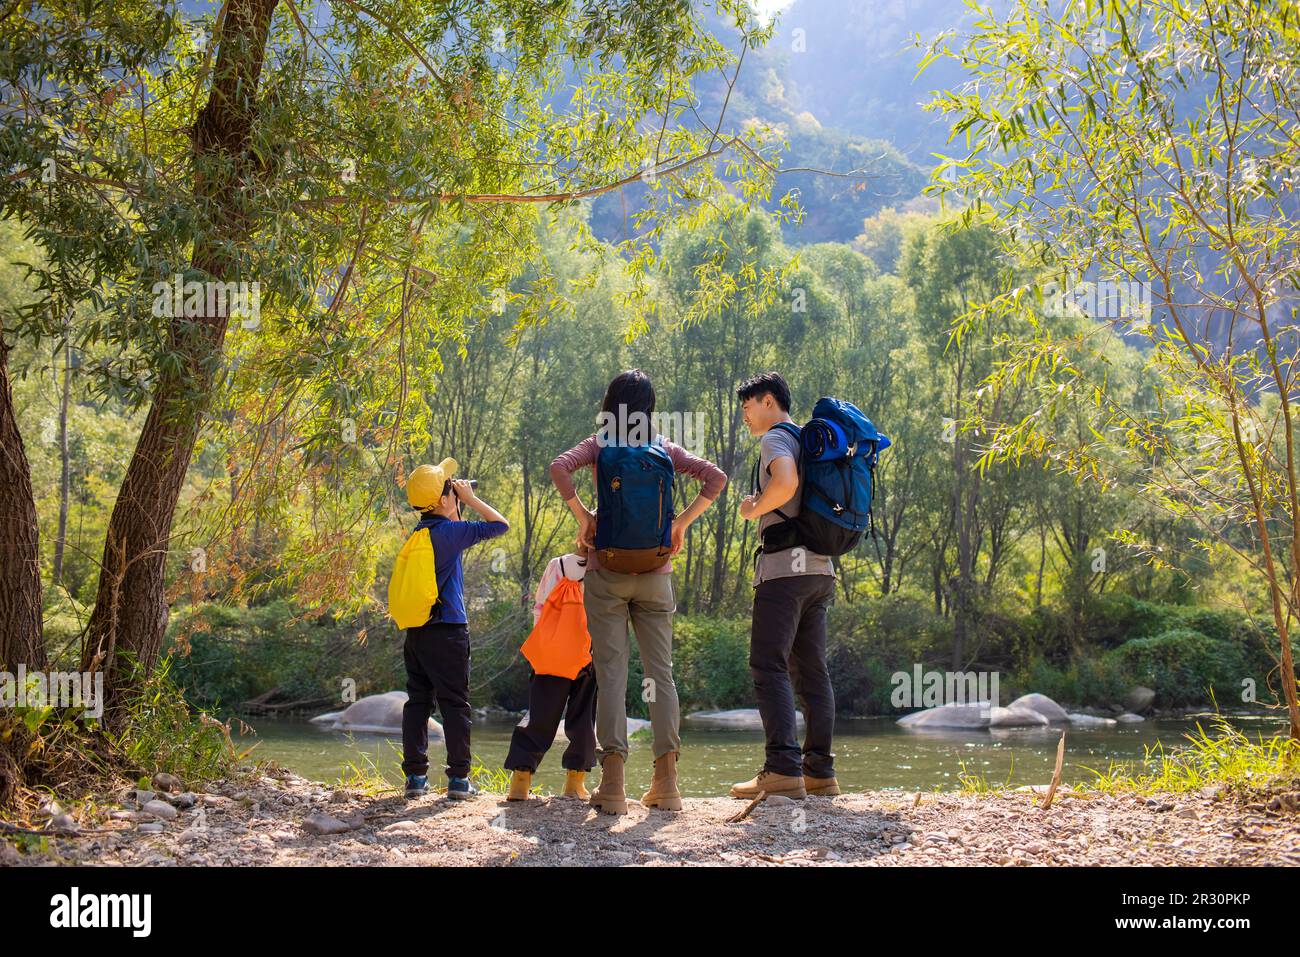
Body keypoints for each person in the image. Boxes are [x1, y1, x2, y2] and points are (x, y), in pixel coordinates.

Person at [550, 369, 726, 814]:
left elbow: (559, 467)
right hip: (656, 570)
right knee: (660, 675)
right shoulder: (663, 445)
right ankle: (666, 784)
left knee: (612, 674)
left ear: (610, 403)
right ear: (649, 407)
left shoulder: (600, 443)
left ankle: (612, 788)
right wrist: (679, 523)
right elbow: (716, 478)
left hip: (607, 570)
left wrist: (583, 517)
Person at [732, 372, 841, 799]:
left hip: (783, 571)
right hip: (819, 570)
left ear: (769, 400)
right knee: (813, 670)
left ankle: (781, 769)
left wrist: (752, 508)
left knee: (768, 665)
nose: (744, 414)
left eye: (748, 405)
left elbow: (787, 483)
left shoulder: (776, 439)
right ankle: (819, 772)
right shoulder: (810, 441)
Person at [399, 458, 509, 800]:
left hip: (418, 631)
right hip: (448, 631)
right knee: (455, 704)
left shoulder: (421, 536)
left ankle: (416, 779)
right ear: (446, 500)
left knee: (418, 702)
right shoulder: (449, 533)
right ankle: (459, 780)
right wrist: (472, 499)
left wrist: (454, 502)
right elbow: (500, 525)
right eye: (452, 489)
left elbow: (456, 541)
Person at [503, 552, 597, 800]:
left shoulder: (559, 564)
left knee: (539, 714)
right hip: (587, 654)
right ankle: (574, 784)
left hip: (551, 652)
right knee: (583, 717)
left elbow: (540, 606)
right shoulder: (606, 568)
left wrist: (543, 645)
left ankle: (520, 782)